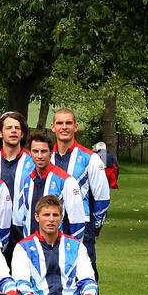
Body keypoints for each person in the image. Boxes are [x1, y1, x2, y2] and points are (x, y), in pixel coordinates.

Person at [50, 109, 111, 274]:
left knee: (85, 272)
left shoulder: (90, 158)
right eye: (60, 123)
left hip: (81, 224)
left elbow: (102, 198)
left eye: (68, 123)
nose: (64, 127)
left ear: (75, 127)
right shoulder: (45, 157)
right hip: (50, 224)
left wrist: (94, 227)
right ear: (53, 127)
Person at [18, 132, 87, 240]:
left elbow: (77, 221)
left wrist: (72, 249)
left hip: (56, 247)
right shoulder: (28, 181)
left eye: (44, 151)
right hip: (32, 246)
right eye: (35, 151)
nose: (39, 156)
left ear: (51, 153)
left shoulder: (66, 181)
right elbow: (26, 217)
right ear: (30, 153)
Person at [0, 111, 33, 254]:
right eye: (9, 128)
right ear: (0, 133)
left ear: (22, 133)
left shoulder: (32, 162)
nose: (13, 131)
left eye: (17, 128)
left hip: (22, 230)